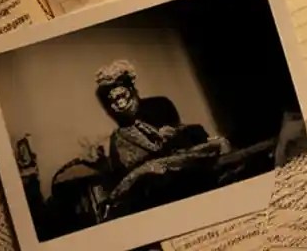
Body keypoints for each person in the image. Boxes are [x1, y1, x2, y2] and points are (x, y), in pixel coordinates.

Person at [94, 61, 229, 217]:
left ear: (132, 90)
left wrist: (174, 135)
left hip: (185, 167)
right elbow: (125, 177)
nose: (120, 103)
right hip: (154, 190)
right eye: (112, 101)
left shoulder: (159, 105)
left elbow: (185, 137)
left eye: (122, 95)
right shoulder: (118, 138)